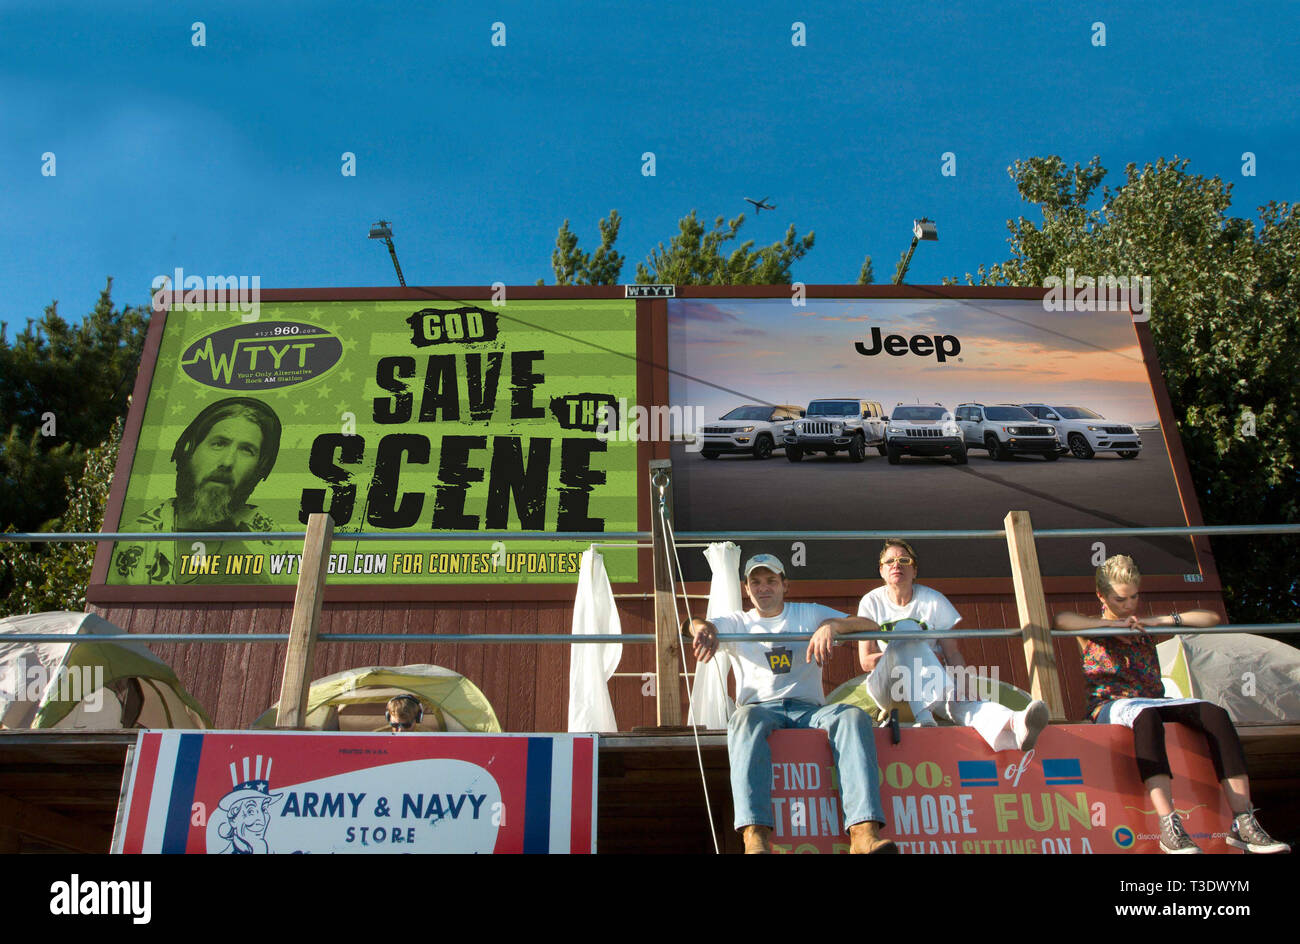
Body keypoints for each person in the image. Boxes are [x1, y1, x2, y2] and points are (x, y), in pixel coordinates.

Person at [1054, 553, 1289, 854]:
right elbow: (1061, 620)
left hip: (1153, 699)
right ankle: (1169, 824)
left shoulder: (1142, 624)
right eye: (1120, 599)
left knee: (1214, 713)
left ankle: (1243, 820)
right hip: (1112, 704)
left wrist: (1160, 620)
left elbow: (1211, 619)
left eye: (1134, 597)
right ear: (1102, 595)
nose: (1128, 605)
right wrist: (1108, 625)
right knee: (1148, 716)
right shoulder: (1091, 629)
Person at [688, 553, 896, 854]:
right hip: (759, 709)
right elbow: (695, 624)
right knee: (742, 721)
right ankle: (755, 837)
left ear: (786, 585)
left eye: (771, 581)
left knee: (852, 717)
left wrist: (832, 626)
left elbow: (868, 624)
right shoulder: (738, 621)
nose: (763, 588)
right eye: (755, 582)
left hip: (810, 709)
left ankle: (863, 833)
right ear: (747, 589)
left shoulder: (808, 613)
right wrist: (701, 630)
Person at [857, 539, 1049, 751]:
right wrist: (909, 653)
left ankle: (1016, 725)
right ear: (881, 570)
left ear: (914, 570)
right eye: (890, 561)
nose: (896, 565)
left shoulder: (933, 600)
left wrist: (964, 682)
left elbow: (952, 652)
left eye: (904, 560)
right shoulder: (871, 602)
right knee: (906, 630)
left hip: (931, 679)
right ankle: (924, 716)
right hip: (889, 685)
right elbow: (866, 661)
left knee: (963, 702)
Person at [110, 397, 283, 585]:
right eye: (219, 443)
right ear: (188, 450)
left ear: (260, 469)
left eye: (246, 450)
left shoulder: (272, 540)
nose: (227, 462)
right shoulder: (130, 541)